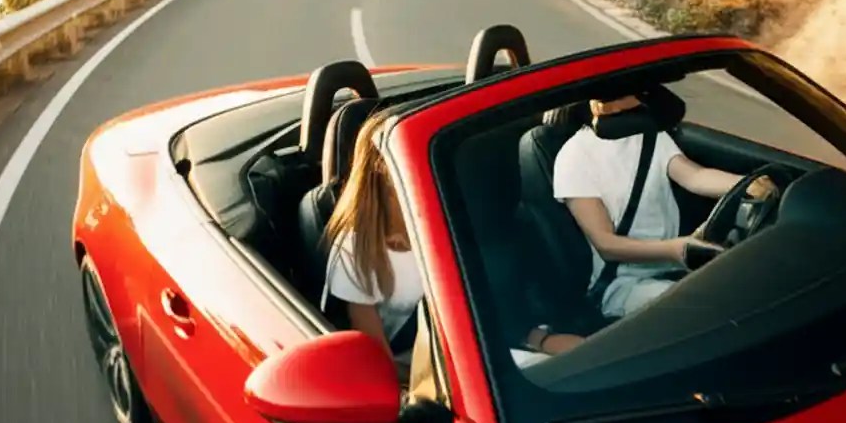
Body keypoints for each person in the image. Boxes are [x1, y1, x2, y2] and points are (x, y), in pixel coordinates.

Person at [324, 114, 581, 382]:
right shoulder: (355, 247)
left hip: (456, 349)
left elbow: (479, 305)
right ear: (383, 168)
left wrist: (540, 340)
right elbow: (378, 358)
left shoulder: (445, 216)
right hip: (405, 366)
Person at [554, 94, 777, 319]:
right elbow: (606, 244)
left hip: (675, 267)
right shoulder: (574, 157)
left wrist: (746, 185)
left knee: (755, 286)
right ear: (601, 103)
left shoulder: (646, 131)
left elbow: (693, 176)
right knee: (715, 308)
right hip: (623, 284)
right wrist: (675, 250)